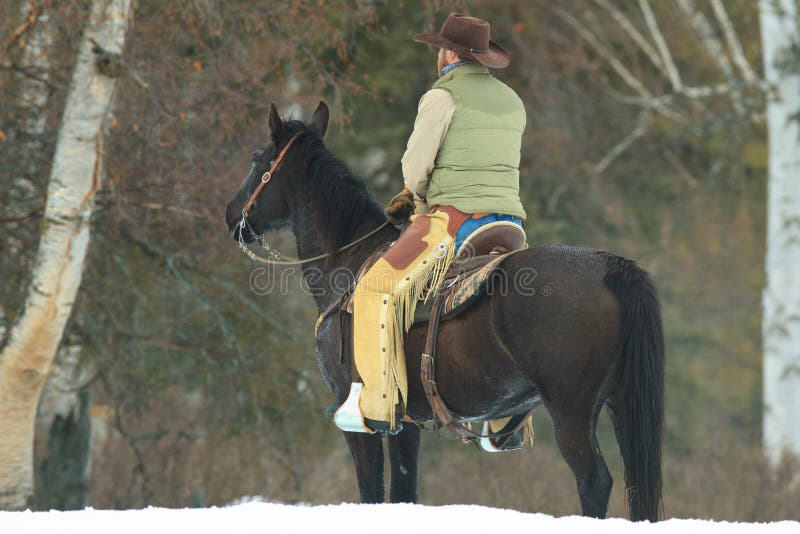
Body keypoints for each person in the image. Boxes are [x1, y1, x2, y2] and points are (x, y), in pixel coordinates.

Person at [334, 13, 527, 434]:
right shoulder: (513, 101)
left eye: (441, 48)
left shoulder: (442, 96)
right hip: (510, 226)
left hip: (454, 223)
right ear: (484, 57)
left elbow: (415, 165)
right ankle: (511, 428)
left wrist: (415, 197)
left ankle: (380, 407)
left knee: (374, 289)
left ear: (450, 53)